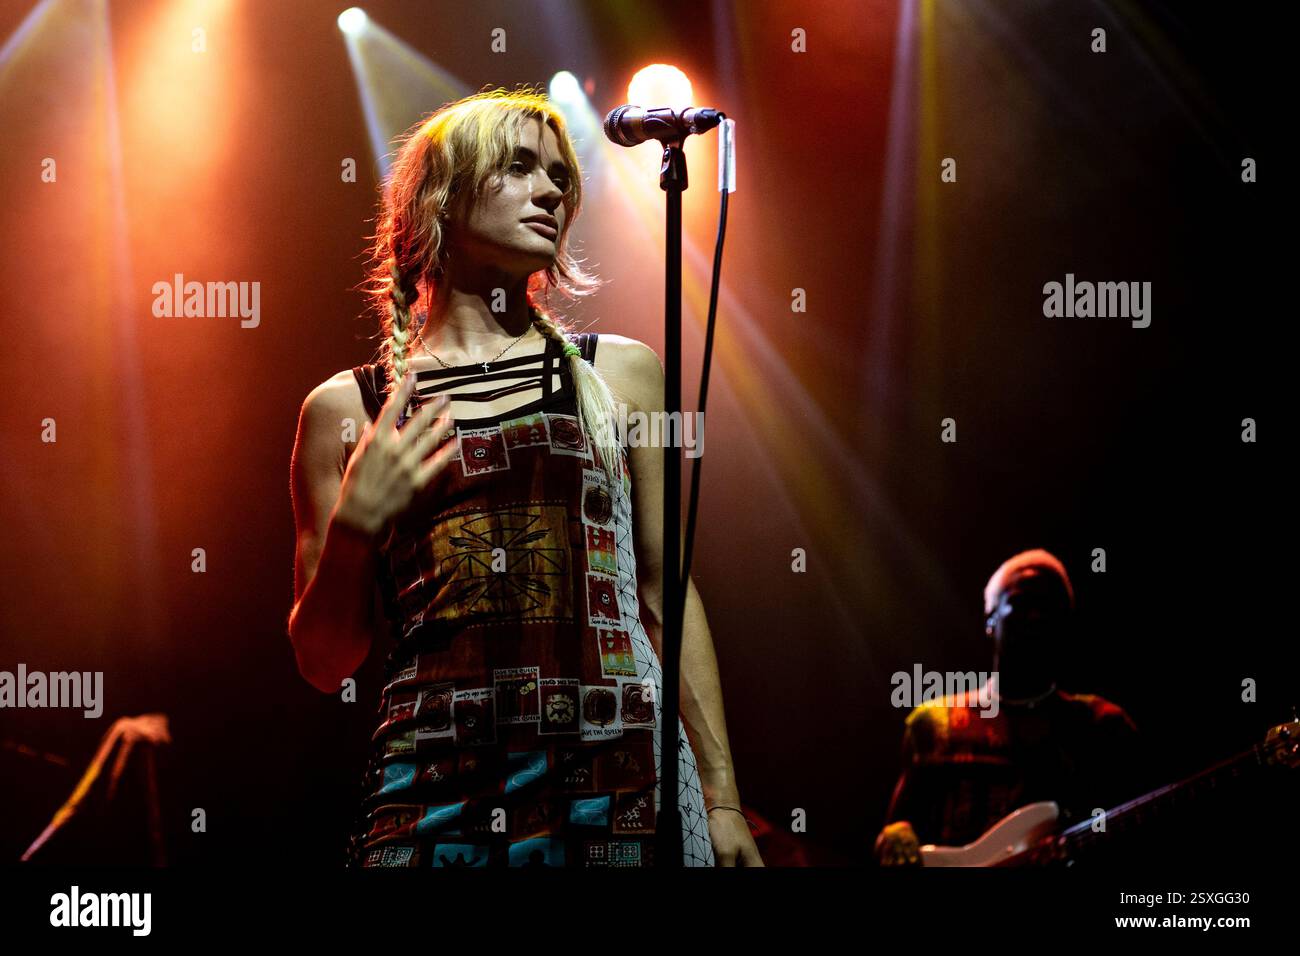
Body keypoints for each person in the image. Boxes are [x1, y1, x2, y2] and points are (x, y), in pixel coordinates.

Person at [288, 87, 761, 867]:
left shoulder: (622, 377)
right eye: (518, 168)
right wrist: (354, 529)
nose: (552, 191)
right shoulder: (349, 409)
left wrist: (720, 798)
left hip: (614, 788)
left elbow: (664, 594)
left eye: (559, 176)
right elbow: (322, 661)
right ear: (441, 196)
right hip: (433, 793)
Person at [875, 549, 1141, 865]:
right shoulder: (935, 723)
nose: (1036, 616)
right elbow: (897, 827)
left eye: (1050, 607)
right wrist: (894, 836)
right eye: (1022, 602)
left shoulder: (1101, 726)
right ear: (990, 619)